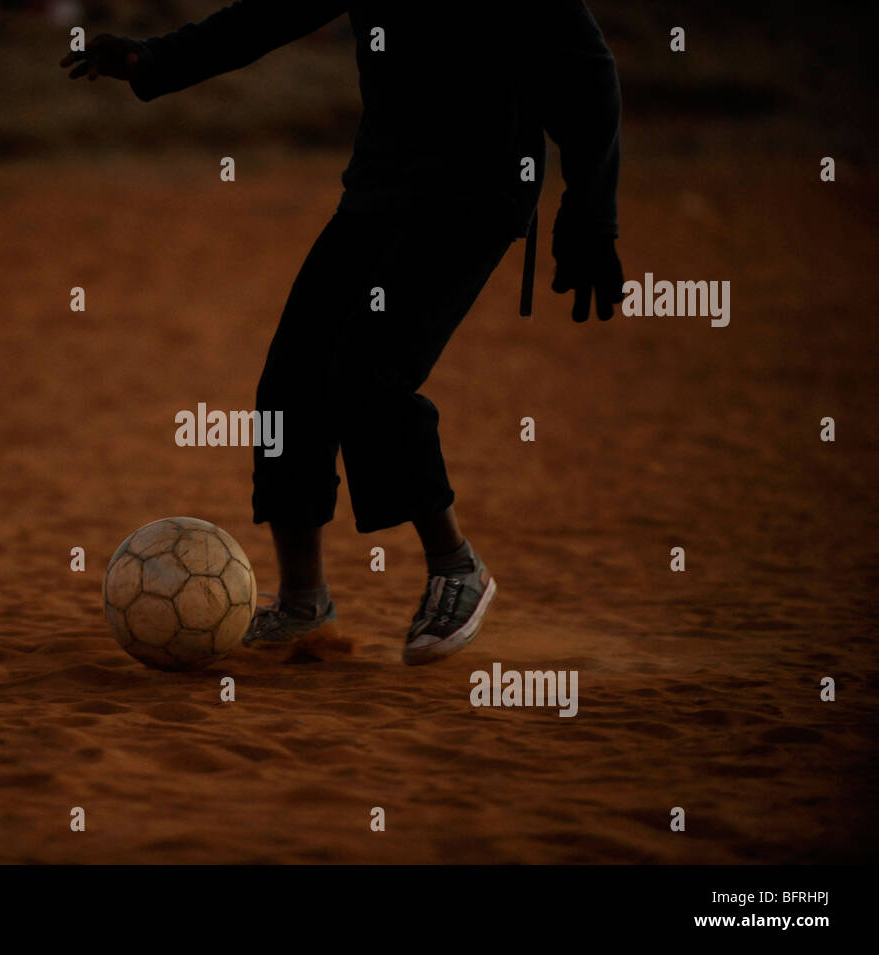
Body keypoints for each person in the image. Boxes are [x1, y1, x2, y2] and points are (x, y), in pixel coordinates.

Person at [62, 1, 624, 665]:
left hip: (477, 192)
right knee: (291, 381)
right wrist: (152, 60)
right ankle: (304, 606)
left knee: (369, 374)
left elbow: (590, 78)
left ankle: (456, 565)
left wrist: (590, 214)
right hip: (380, 190)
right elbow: (265, 17)